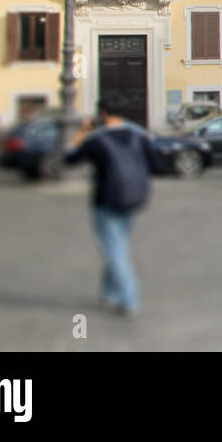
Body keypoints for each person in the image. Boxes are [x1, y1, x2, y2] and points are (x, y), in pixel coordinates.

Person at [65, 95, 155, 316]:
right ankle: (109, 293)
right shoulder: (137, 135)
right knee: (118, 244)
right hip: (134, 198)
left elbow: (69, 159)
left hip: (107, 199)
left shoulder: (97, 140)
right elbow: (155, 162)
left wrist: (81, 132)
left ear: (102, 113)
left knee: (115, 250)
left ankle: (129, 299)